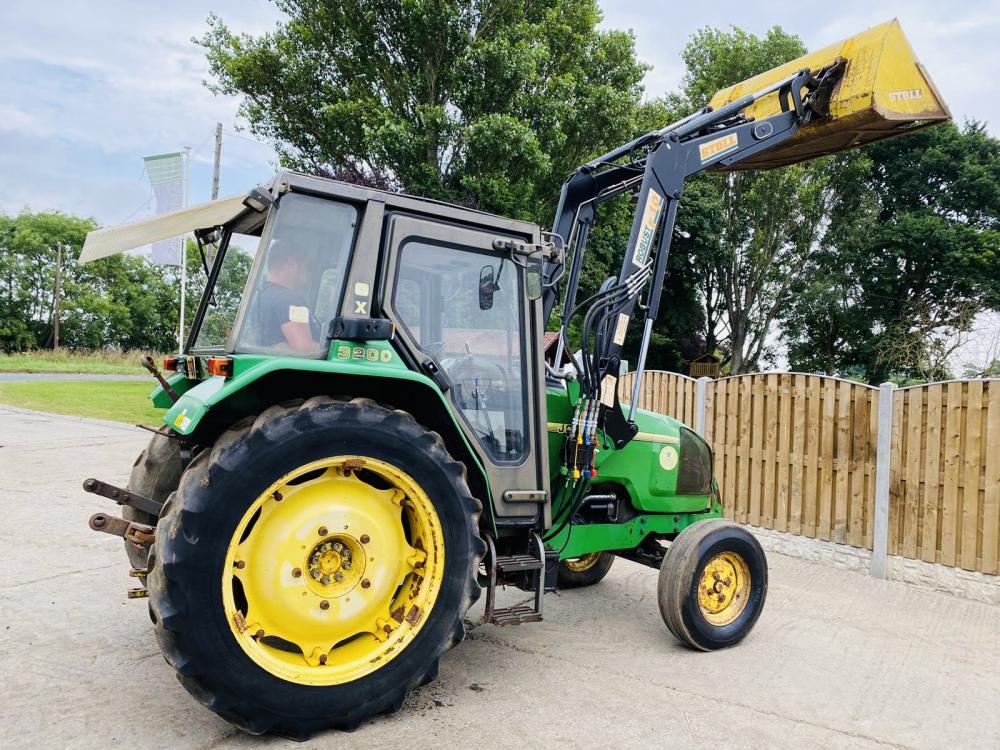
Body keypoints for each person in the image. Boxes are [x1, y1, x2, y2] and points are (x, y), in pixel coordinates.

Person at [253, 238, 320, 352]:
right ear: (292, 265)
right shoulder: (290, 300)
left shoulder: (260, 296)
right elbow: (305, 348)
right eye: (307, 266)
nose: (309, 273)